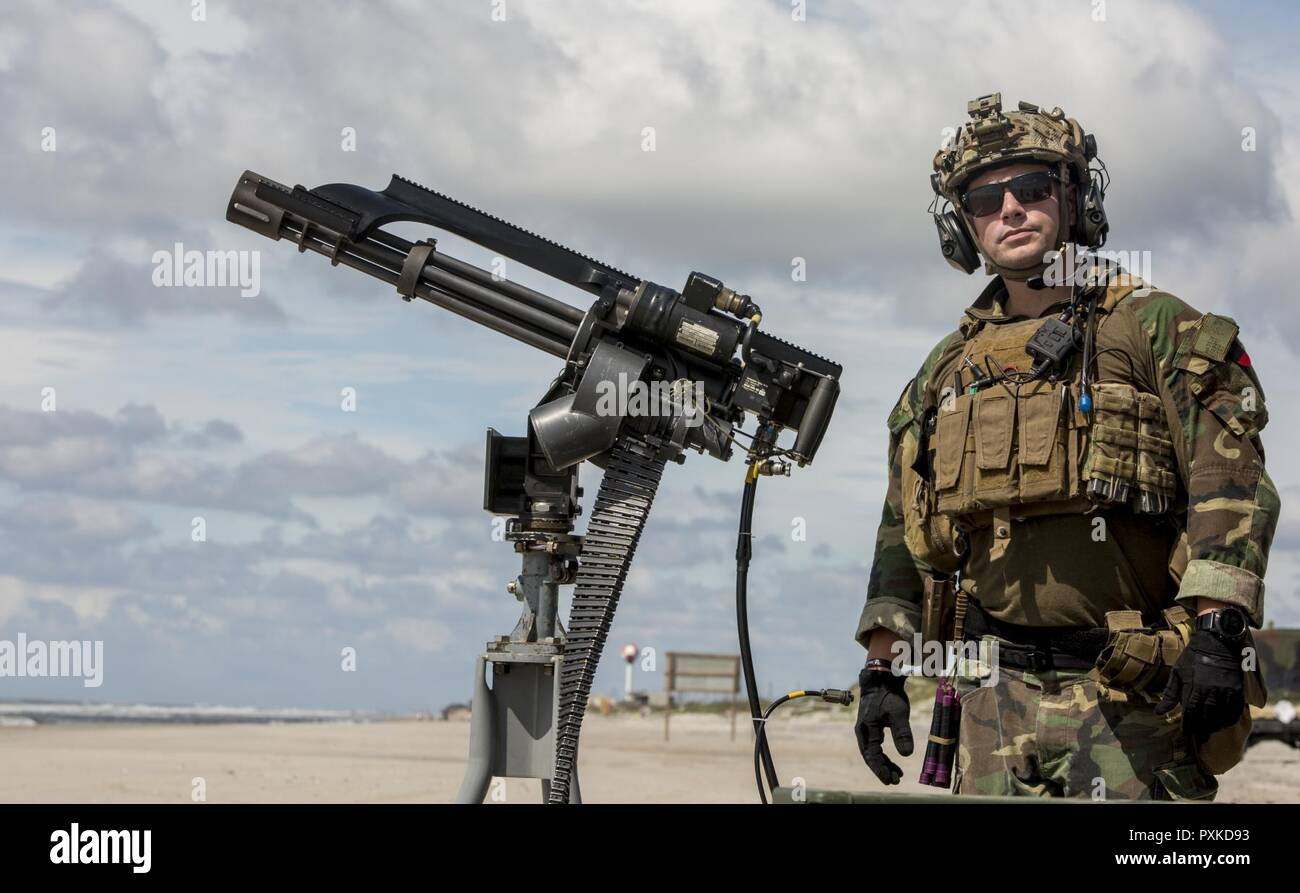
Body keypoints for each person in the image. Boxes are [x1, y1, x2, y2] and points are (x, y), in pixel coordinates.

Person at [853, 94, 1280, 799]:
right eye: (986, 199)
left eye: (1032, 188)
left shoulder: (1160, 329)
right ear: (963, 227)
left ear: (1075, 195)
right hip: (991, 702)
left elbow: (1230, 488)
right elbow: (903, 526)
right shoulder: (943, 371)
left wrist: (1218, 638)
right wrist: (882, 667)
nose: (1010, 210)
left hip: (1132, 700)